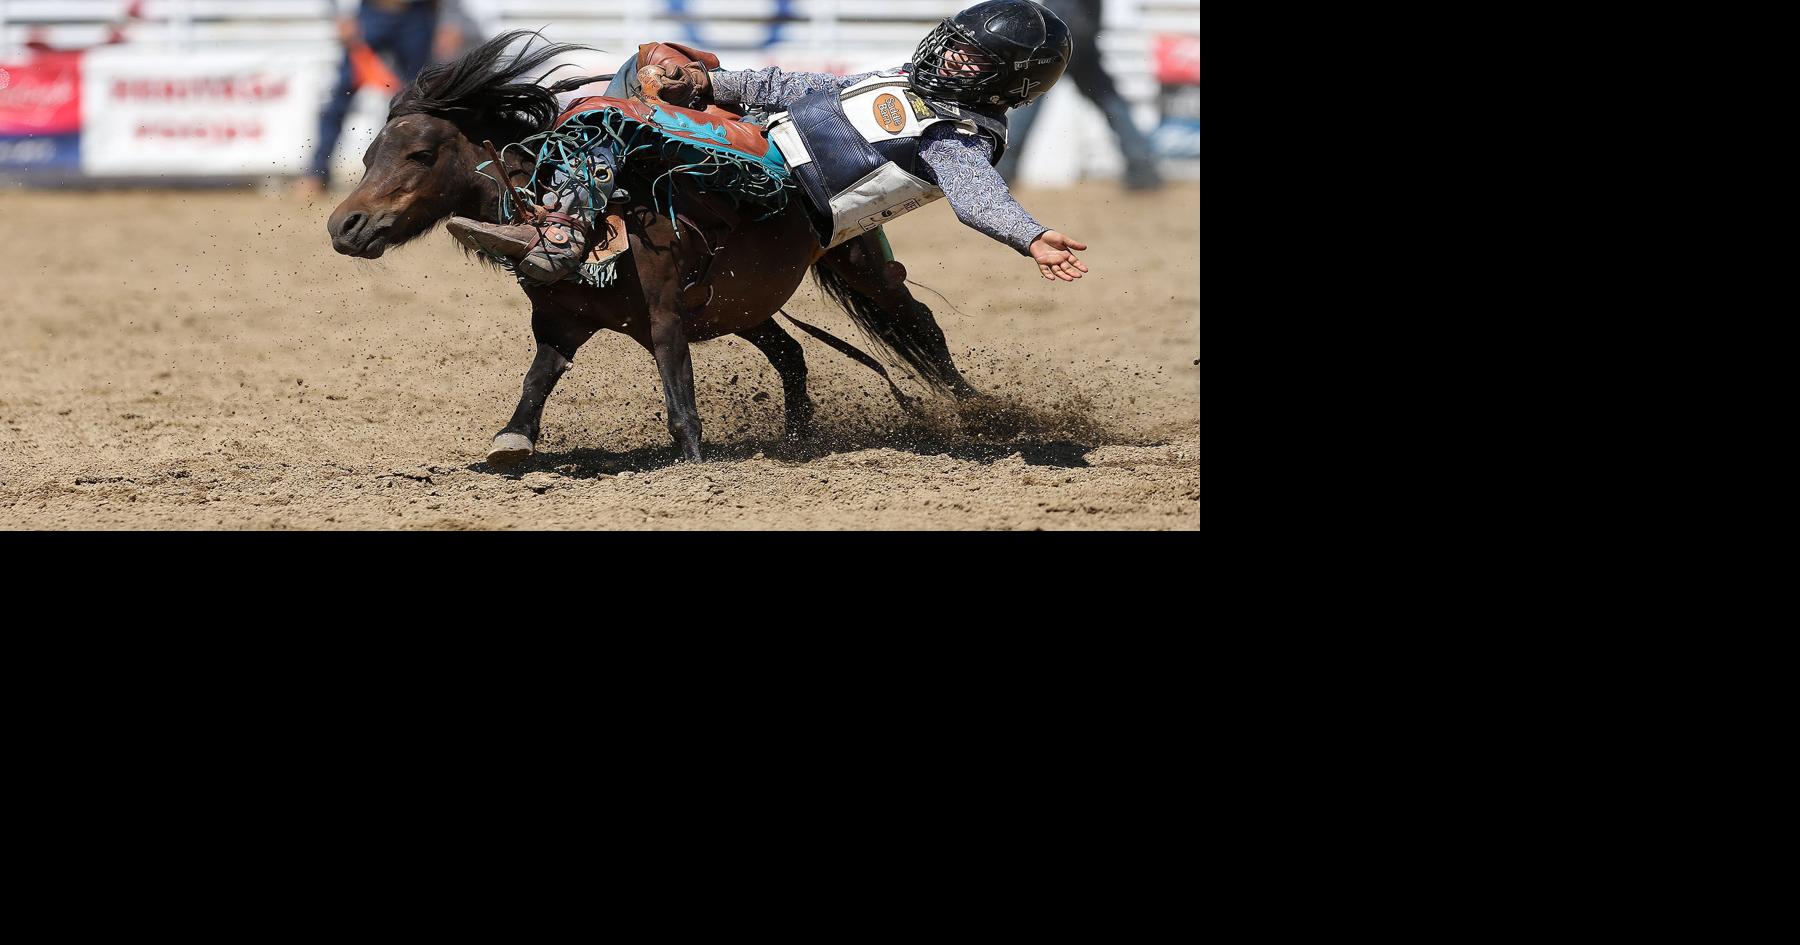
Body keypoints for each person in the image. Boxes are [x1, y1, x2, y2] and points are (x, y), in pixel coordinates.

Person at [449, 0, 1091, 287]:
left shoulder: (958, 138)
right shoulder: (900, 79)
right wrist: (706, 80)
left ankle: (558, 236)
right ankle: (571, 196)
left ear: (1012, 81)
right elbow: (792, 84)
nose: (950, 59)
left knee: (613, 117)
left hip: (785, 191)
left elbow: (981, 199)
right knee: (653, 60)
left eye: (972, 62)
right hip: (760, 144)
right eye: (954, 43)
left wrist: (1029, 236)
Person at [296, 1, 467, 196]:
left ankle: (418, 174)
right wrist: (341, 15)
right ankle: (316, 173)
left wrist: (450, 22)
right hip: (371, 13)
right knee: (341, 96)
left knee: (420, 100)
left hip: (415, 15)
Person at [993, 0, 1163, 191]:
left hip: (1056, 34)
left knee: (1028, 101)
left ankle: (1003, 170)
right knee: (1110, 102)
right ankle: (1142, 168)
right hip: (1076, 33)